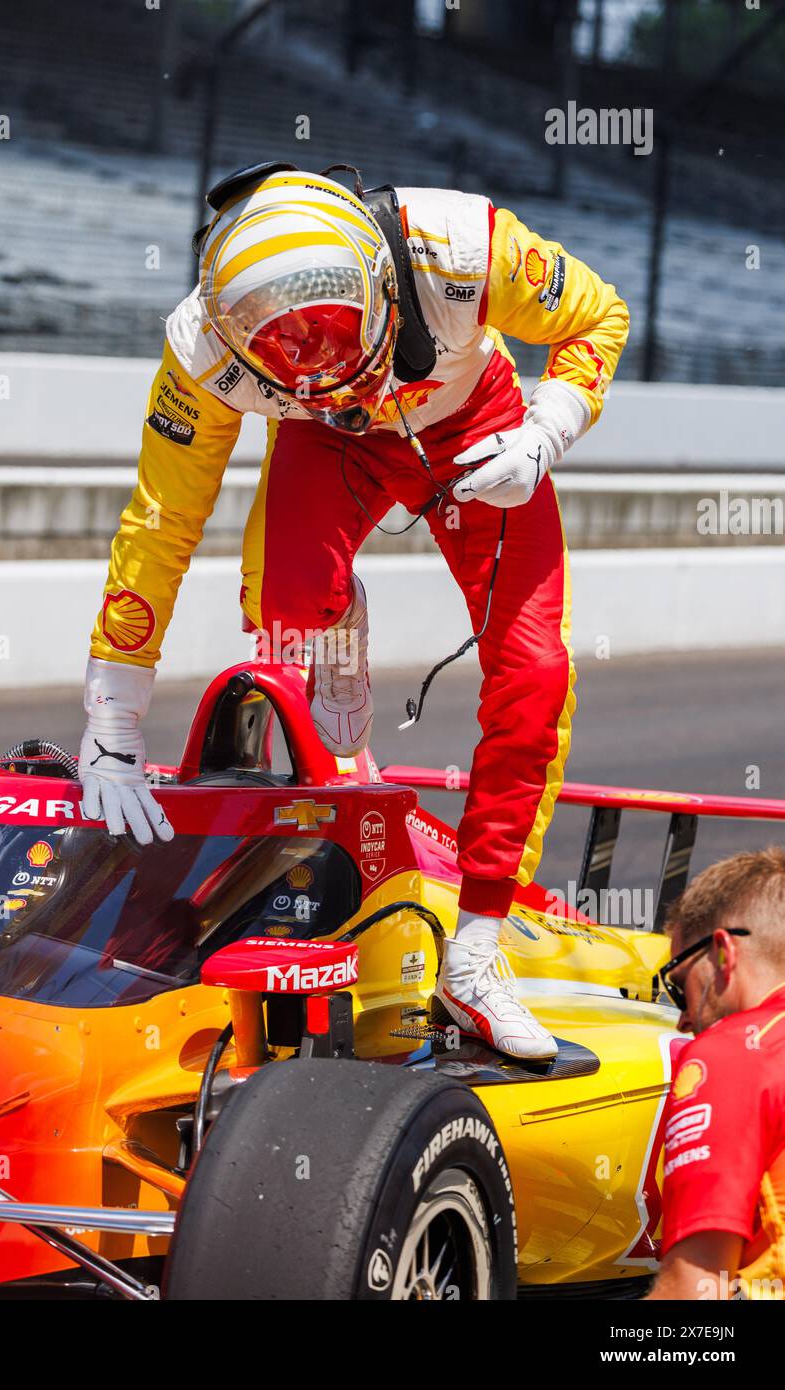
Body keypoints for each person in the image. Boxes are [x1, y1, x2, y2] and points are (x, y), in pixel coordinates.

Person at [77, 164, 630, 1060]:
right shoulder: (201, 349)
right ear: (241, 343)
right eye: (301, 368)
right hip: (332, 450)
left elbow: (601, 313)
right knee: (283, 608)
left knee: (536, 673)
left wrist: (547, 430)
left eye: (353, 356)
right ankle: (334, 617)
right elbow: (163, 517)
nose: (339, 380)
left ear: (381, 282)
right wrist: (111, 719)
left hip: (479, 428)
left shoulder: (459, 243)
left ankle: (479, 954)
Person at [649, 848, 785, 1300]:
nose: (683, 1020)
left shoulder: (733, 1051)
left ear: (723, 953)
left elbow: (694, 1293)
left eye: (678, 985)